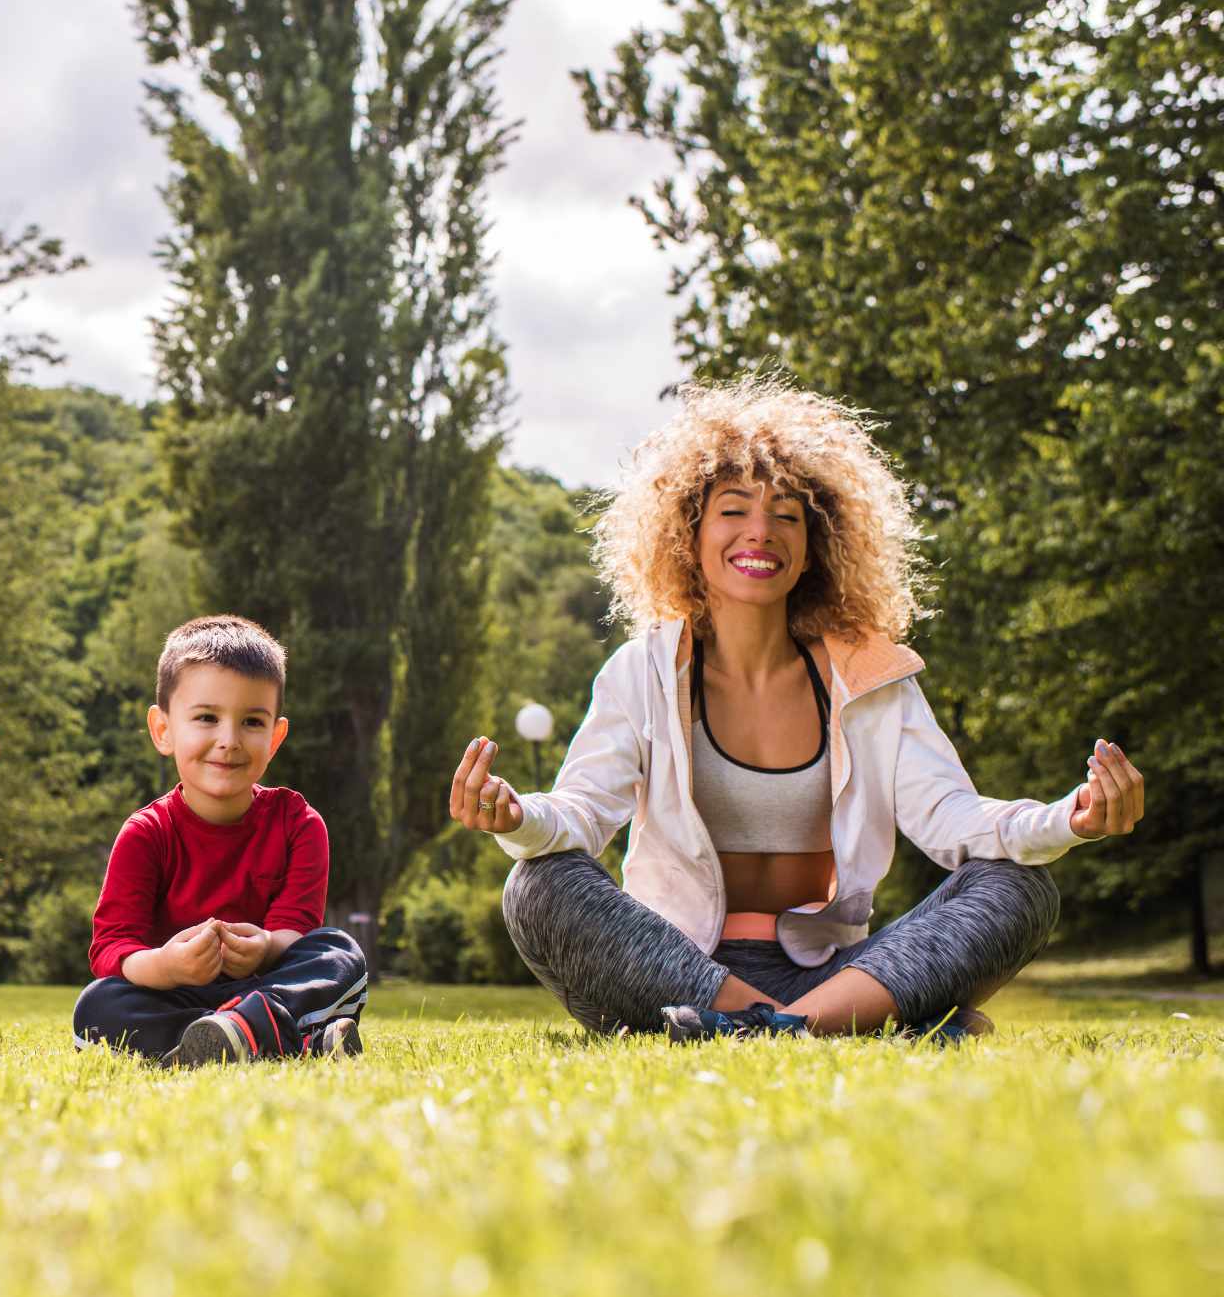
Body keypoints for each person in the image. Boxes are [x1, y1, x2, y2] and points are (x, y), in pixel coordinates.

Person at [449, 377, 1144, 1040]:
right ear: (686, 536)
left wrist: (1067, 820)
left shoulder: (870, 677)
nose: (761, 532)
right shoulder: (642, 671)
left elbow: (954, 820)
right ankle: (829, 1025)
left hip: (838, 973)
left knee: (1019, 886)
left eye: (786, 516)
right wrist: (519, 816)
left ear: (817, 548)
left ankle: (783, 1028)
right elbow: (579, 816)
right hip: (677, 969)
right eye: (733, 511)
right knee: (537, 884)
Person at [72, 616, 369, 1064]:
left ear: (275, 737)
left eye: (252, 721)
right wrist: (169, 965)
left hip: (265, 991)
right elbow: (113, 947)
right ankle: (277, 1042)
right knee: (97, 1007)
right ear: (163, 729)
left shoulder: (299, 824)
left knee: (339, 954)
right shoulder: (145, 834)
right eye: (207, 717)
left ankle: (242, 1033)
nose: (228, 741)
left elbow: (297, 933)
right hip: (176, 997)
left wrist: (267, 947)